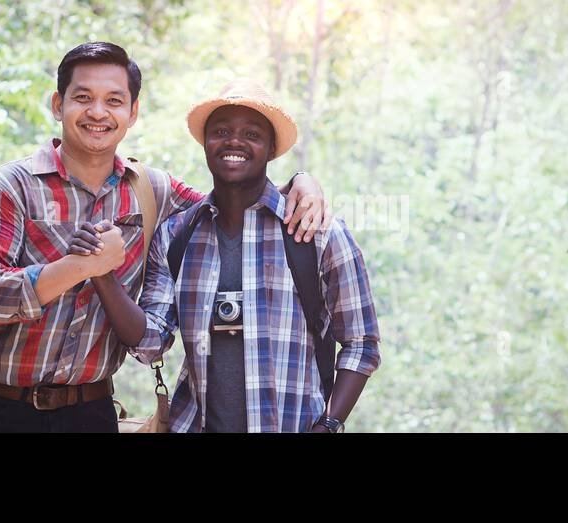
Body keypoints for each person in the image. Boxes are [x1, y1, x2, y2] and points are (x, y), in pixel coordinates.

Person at [0, 43, 332, 433]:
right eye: (83, 98)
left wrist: (301, 182)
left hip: (90, 409)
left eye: (114, 100)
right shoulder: (13, 185)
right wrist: (80, 266)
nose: (98, 112)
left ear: (132, 113)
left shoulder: (152, 189)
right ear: (58, 104)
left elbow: (231, 203)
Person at [97, 80, 381, 433]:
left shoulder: (317, 234)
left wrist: (330, 424)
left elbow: (361, 344)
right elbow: (150, 343)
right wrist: (101, 274)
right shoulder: (176, 235)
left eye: (251, 133)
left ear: (271, 148)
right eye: (221, 131)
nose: (234, 141)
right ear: (206, 142)